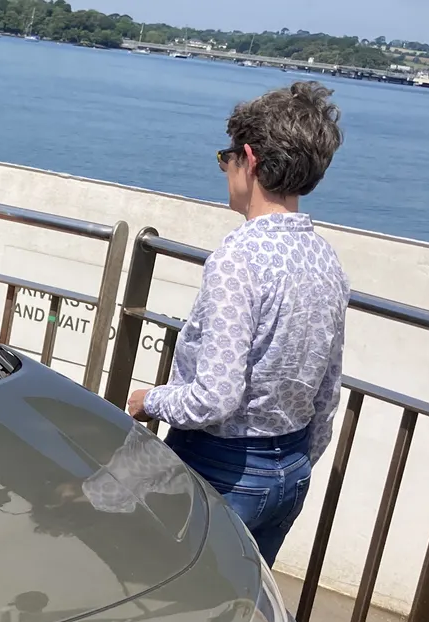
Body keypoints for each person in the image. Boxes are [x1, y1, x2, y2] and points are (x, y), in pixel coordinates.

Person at [127, 81, 348, 566]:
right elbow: (327, 391)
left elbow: (215, 398)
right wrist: (293, 462)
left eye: (226, 158)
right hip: (290, 469)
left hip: (223, 469)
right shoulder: (325, 259)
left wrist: (150, 400)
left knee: (176, 593)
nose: (226, 169)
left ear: (248, 158)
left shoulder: (238, 258)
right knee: (242, 600)